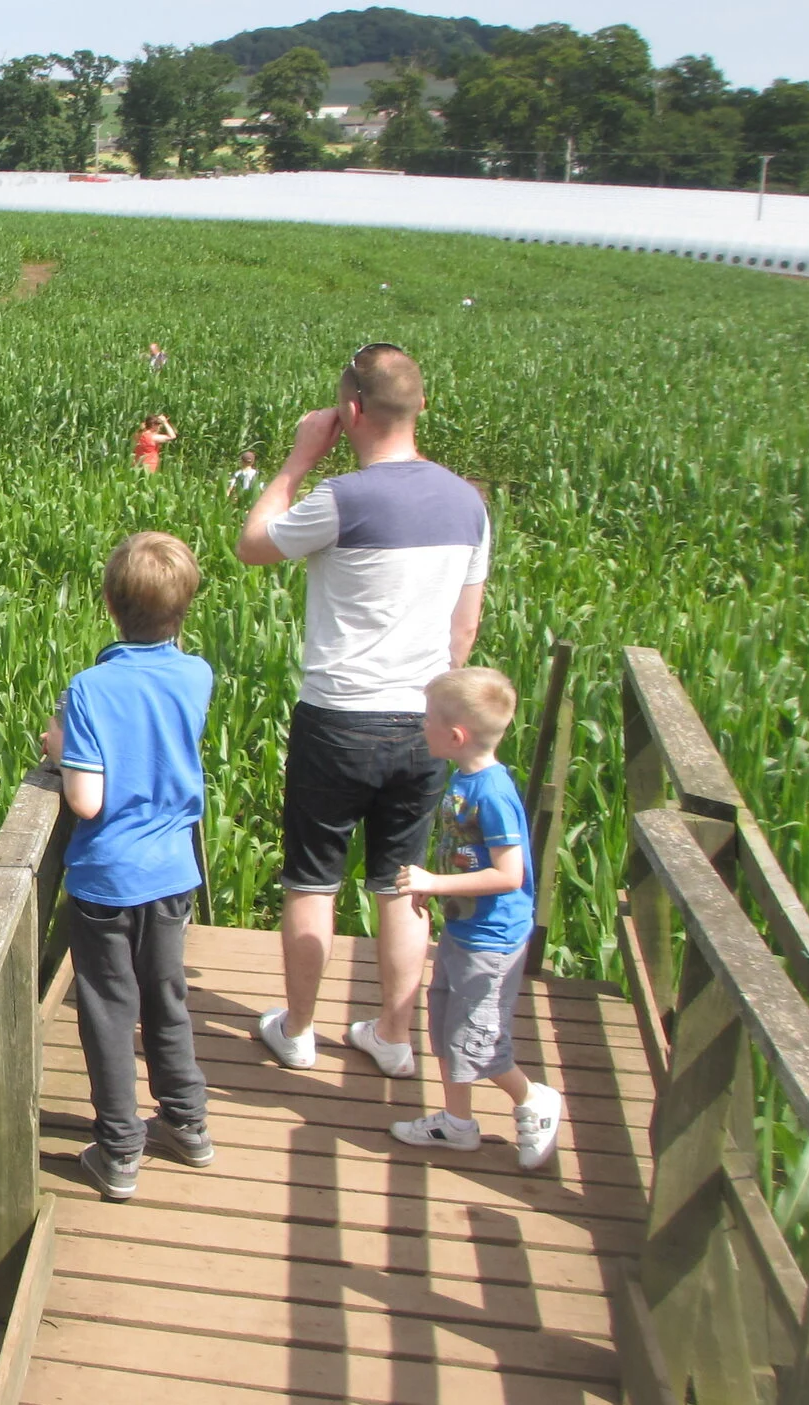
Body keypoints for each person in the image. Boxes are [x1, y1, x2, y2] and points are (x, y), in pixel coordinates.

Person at [236, 343, 489, 1075]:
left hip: (339, 717)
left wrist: (295, 459)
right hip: (426, 721)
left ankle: (300, 1029)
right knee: (401, 884)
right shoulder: (469, 503)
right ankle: (394, 1035)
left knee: (312, 881)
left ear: (350, 411)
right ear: (420, 408)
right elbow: (463, 632)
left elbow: (253, 545)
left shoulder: (342, 498)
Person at [40, 532, 217, 1202]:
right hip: (173, 874)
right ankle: (187, 1123)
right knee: (166, 997)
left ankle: (118, 1150)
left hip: (107, 879)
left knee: (111, 1010)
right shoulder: (196, 674)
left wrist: (59, 748)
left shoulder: (89, 689)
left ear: (110, 606)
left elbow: (87, 798)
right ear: (184, 610)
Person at [391, 667, 563, 1171]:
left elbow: (510, 875)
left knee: (479, 1041)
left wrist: (435, 884)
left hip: (492, 941)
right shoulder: (464, 778)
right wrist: (439, 891)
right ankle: (457, 1122)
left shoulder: (493, 793)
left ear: (455, 736)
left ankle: (533, 1099)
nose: (422, 726)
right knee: (446, 1025)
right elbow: (467, 853)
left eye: (428, 720)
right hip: (464, 930)